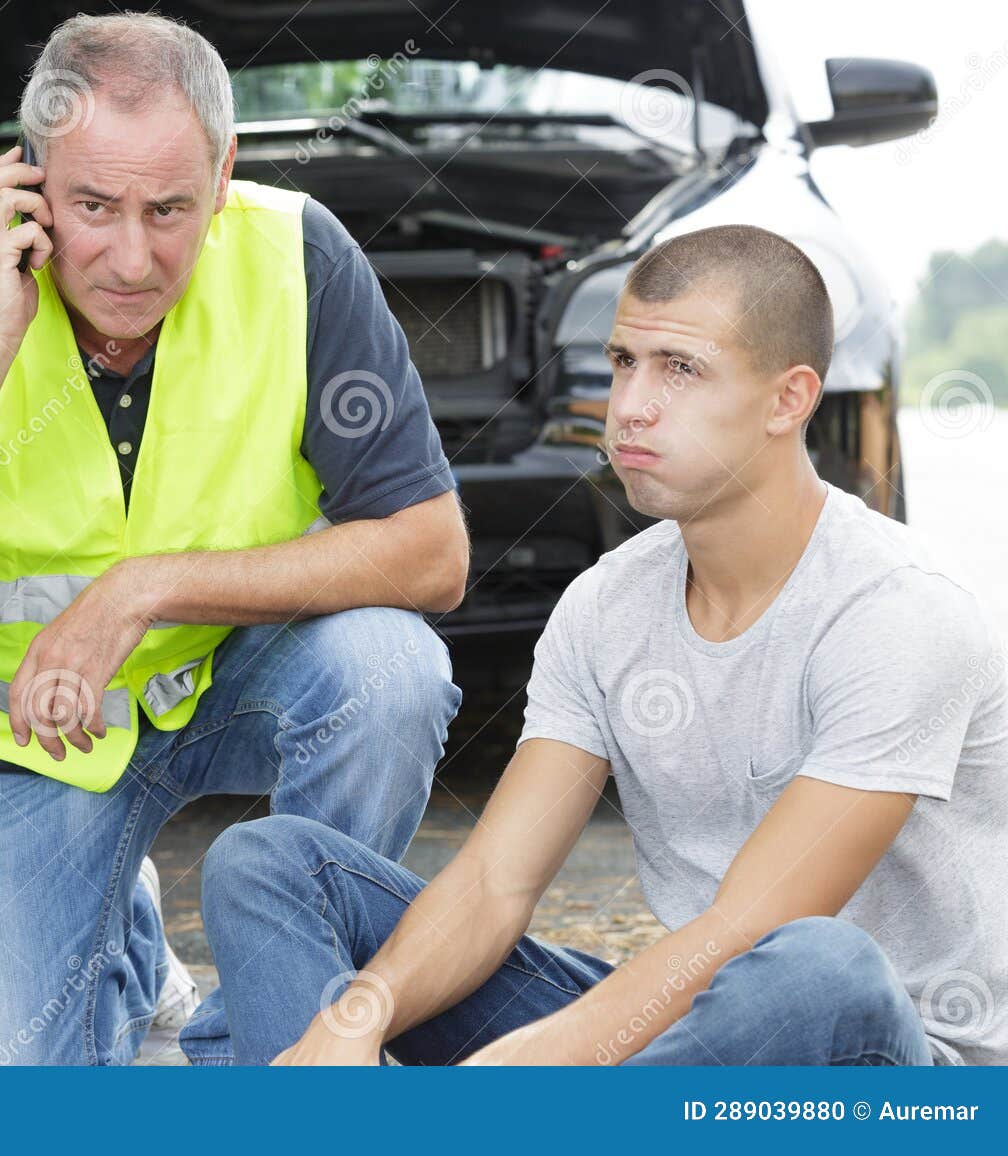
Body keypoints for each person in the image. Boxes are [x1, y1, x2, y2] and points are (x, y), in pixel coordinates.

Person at [0, 11, 468, 1065]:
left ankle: (274, 1022)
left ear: (224, 173)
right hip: (25, 745)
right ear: (29, 178)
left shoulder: (295, 253)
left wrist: (141, 590)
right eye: (92, 206)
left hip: (228, 680)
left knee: (392, 671)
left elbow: (433, 552)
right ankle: (128, 946)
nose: (133, 258)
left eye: (170, 208)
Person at [199, 223, 1008, 1066]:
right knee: (269, 865)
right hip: (689, 1041)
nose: (631, 406)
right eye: (625, 361)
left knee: (817, 965)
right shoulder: (606, 604)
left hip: (900, 1072)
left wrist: (528, 1071)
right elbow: (493, 884)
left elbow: (748, 929)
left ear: (788, 399)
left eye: (681, 369)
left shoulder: (899, 612)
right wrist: (360, 1014)